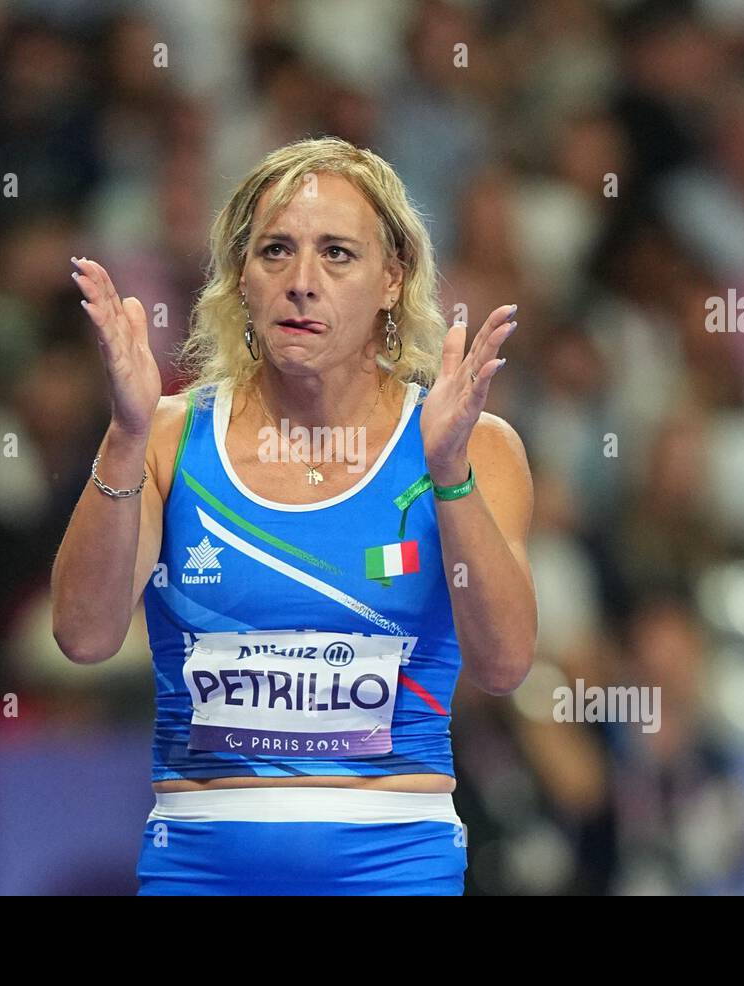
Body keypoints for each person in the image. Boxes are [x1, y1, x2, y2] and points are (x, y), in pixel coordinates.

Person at [52, 136, 537, 895]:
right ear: (240, 279)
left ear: (392, 279)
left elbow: (505, 666)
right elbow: (82, 636)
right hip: (199, 866)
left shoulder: (474, 446)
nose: (301, 282)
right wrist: (123, 438)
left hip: (395, 866)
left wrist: (449, 478)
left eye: (338, 253)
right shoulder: (168, 438)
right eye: (275, 251)